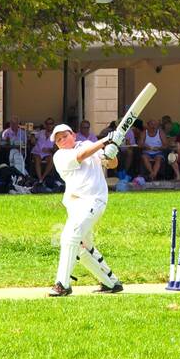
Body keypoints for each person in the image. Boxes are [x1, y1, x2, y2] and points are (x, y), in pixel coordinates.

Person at [47, 123, 122, 297]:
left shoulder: (89, 145)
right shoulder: (60, 156)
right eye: (58, 140)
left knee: (69, 238)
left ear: (73, 134)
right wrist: (106, 140)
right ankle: (111, 283)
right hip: (75, 205)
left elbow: (112, 164)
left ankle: (62, 285)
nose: (62, 141)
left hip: (93, 200)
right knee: (82, 247)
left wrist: (112, 152)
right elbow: (80, 156)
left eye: (64, 136)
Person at [31, 118, 57, 184]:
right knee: (37, 159)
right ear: (45, 125)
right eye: (47, 124)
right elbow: (33, 136)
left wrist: (50, 149)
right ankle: (40, 179)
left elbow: (55, 148)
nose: (49, 125)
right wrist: (33, 138)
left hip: (48, 153)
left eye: (51, 124)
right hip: (37, 151)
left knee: (51, 160)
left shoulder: (55, 135)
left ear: (53, 125)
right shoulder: (41, 132)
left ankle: (42, 177)